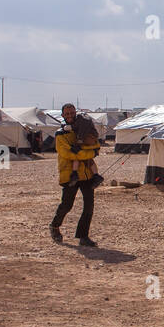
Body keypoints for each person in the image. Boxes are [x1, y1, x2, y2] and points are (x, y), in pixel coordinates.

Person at [49, 103, 103, 247]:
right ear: (62, 116)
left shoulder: (83, 129)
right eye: (67, 114)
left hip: (86, 174)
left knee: (89, 206)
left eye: (72, 113)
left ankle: (83, 236)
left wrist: (89, 152)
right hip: (70, 174)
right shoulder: (60, 134)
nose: (70, 116)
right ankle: (55, 226)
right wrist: (90, 153)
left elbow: (95, 144)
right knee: (67, 205)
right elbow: (67, 153)